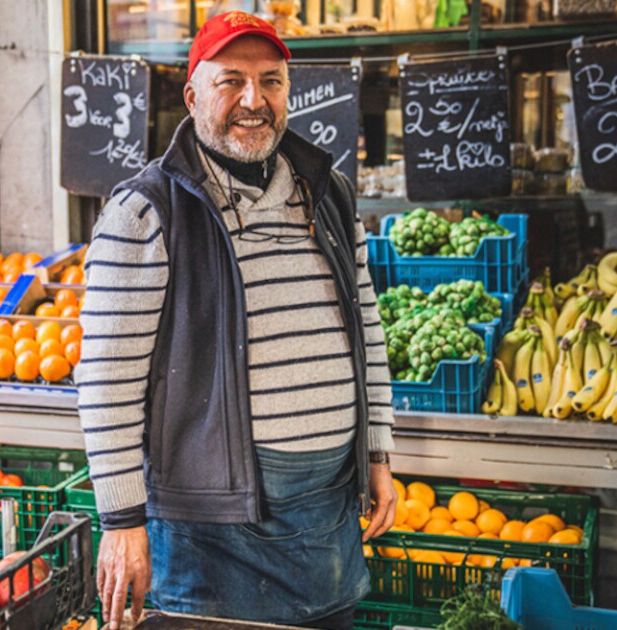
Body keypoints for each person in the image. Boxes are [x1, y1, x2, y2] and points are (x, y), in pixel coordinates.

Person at [76, 11, 397, 629]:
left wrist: (376, 452)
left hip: (327, 513)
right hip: (212, 534)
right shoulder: (145, 211)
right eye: (232, 81)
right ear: (192, 95)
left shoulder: (329, 195)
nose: (255, 101)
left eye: (271, 81)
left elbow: (368, 332)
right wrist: (121, 521)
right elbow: (106, 382)